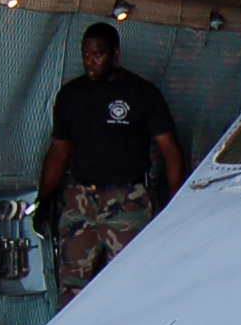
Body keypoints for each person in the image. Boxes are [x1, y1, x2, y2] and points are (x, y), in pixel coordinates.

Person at [40, 23, 187, 305]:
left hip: (127, 199)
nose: (90, 62)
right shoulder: (71, 95)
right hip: (80, 199)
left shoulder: (141, 93)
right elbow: (59, 151)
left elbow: (170, 150)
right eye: (86, 55)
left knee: (131, 285)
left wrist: (176, 202)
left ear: (115, 54)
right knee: (72, 287)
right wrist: (44, 197)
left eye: (98, 54)